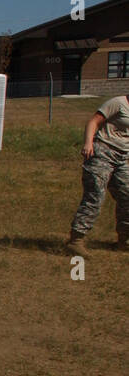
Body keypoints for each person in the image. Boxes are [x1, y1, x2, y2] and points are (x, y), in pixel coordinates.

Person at [66, 94, 129, 255]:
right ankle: (76, 240)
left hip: (122, 158)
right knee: (95, 196)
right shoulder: (118, 103)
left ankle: (124, 240)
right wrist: (88, 143)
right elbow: (93, 121)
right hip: (102, 152)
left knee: (127, 195)